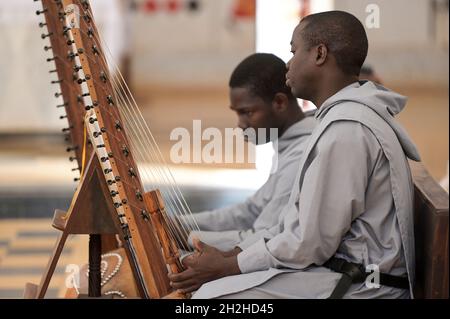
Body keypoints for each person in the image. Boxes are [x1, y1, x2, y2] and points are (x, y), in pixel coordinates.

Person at [169, 10, 420, 299]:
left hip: (364, 286)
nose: (288, 64)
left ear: (320, 54)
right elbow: (288, 225)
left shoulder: (347, 130)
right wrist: (231, 258)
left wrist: (230, 265)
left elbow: (309, 244)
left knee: (207, 299)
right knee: (210, 289)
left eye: (294, 51)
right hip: (341, 271)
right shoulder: (339, 120)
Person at [181, 53, 316, 252]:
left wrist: (188, 238)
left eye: (247, 112)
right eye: (237, 113)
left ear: (279, 102)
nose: (241, 124)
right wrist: (179, 223)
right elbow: (250, 210)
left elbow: (266, 237)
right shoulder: (288, 144)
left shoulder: (302, 153)